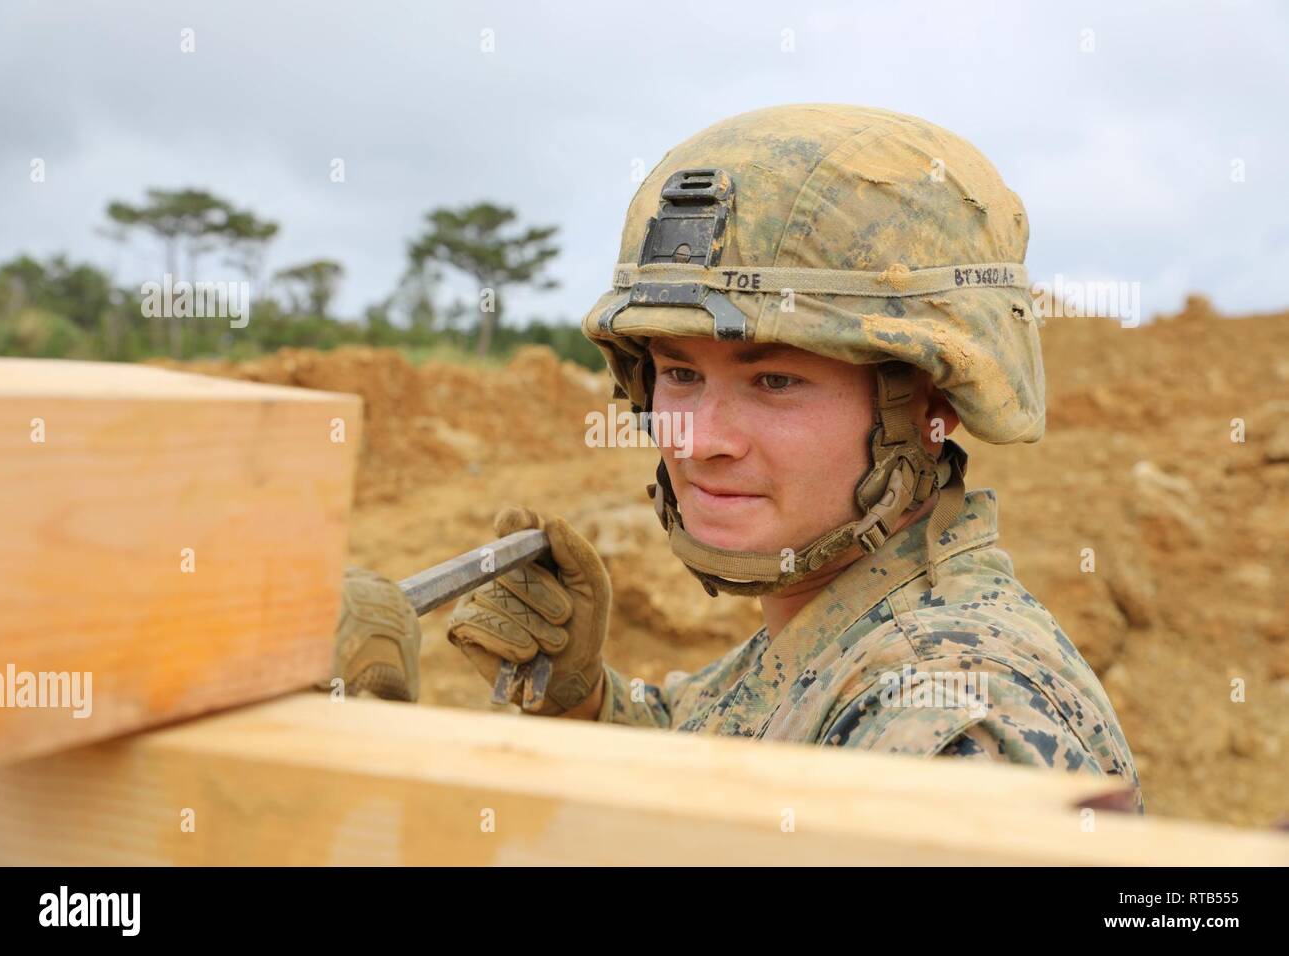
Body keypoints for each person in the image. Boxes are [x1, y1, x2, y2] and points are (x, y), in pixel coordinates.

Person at [351, 104, 1142, 812]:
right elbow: (725, 765)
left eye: (774, 380)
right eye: (680, 373)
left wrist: (359, 786)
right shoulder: (840, 626)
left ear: (928, 406)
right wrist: (586, 707)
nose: (700, 437)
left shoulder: (951, 723)